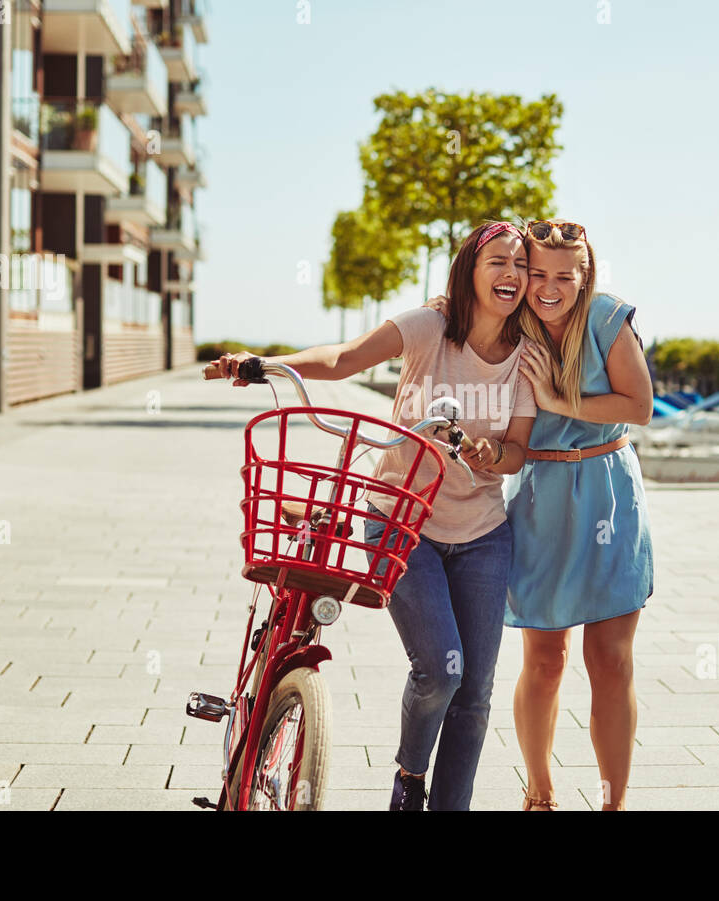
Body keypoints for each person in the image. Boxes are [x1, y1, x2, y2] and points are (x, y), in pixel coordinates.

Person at [212, 220, 537, 810]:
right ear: (470, 268)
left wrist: (494, 453)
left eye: (520, 263)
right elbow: (343, 359)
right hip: (401, 520)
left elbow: (516, 451)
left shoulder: (527, 357)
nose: (511, 274)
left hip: (484, 533)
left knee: (476, 694)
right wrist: (264, 363)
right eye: (497, 261)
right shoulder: (430, 326)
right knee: (442, 670)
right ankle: (410, 777)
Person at [426, 219, 654, 810]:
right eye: (538, 274)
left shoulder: (607, 319)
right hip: (537, 493)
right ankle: (541, 790)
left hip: (606, 490)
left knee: (610, 659)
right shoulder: (512, 321)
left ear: (585, 276)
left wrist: (558, 400)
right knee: (545, 658)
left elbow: (641, 406)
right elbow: (457, 317)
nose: (548, 288)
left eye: (564, 276)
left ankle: (613, 802)